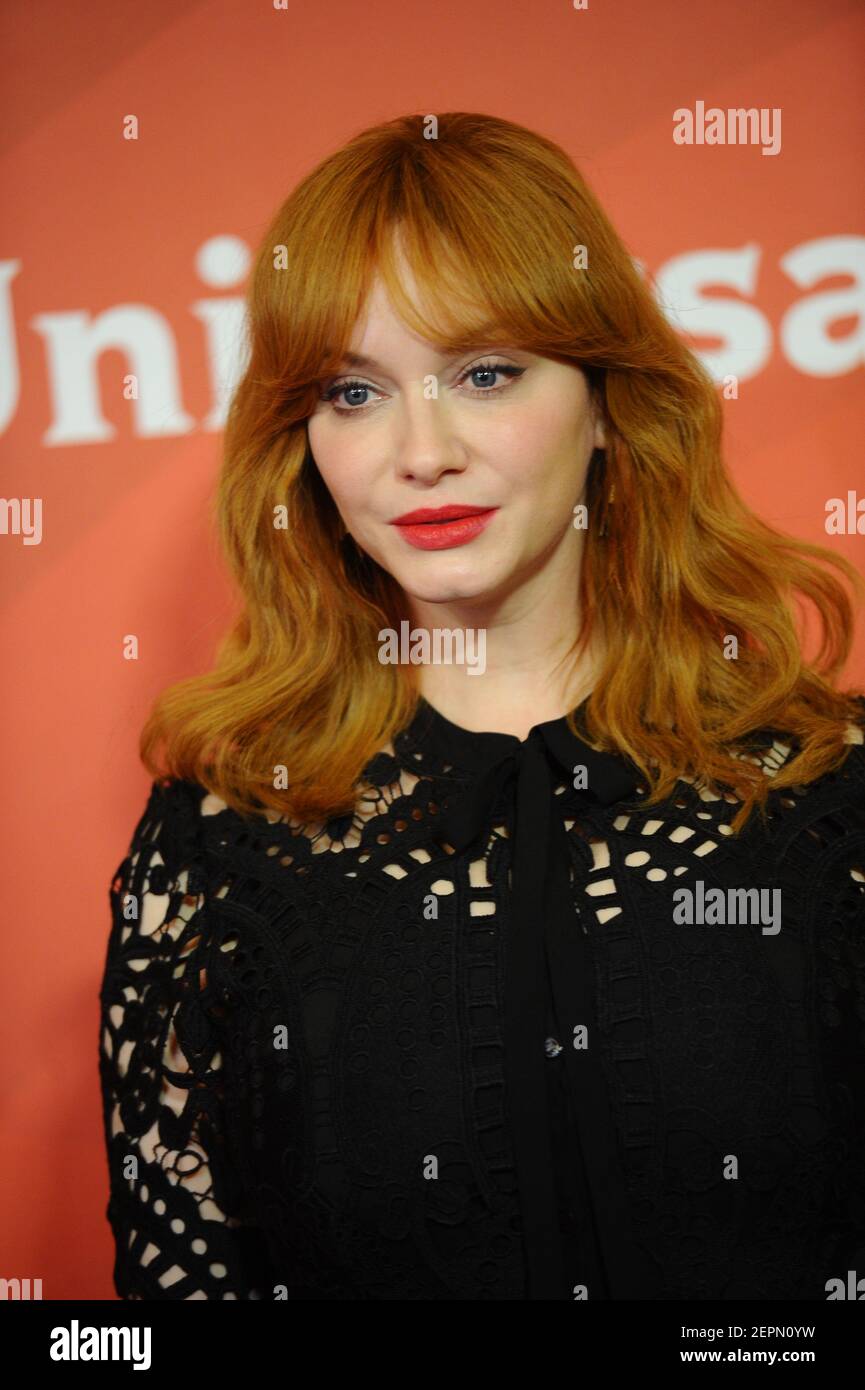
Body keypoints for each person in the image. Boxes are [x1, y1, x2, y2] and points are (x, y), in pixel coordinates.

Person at [98, 111, 865, 1301]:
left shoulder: (830, 799)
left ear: (610, 403)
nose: (421, 450)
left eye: (485, 373)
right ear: (302, 449)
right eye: (353, 392)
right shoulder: (223, 841)